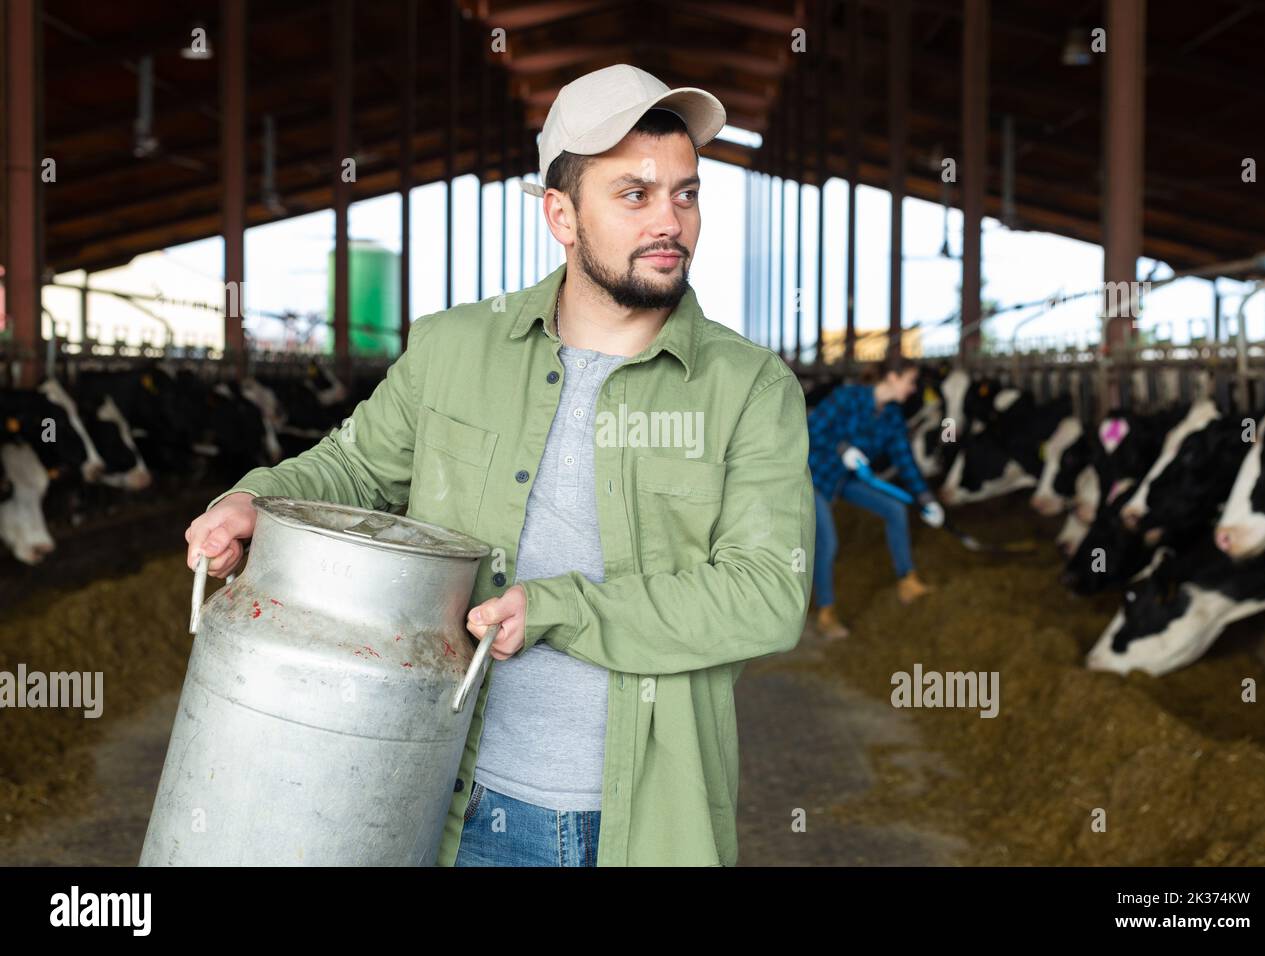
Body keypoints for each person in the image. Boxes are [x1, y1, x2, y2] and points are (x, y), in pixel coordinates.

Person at [183, 64, 814, 867]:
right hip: (448, 800)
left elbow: (765, 595)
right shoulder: (453, 348)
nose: (671, 222)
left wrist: (559, 609)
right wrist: (253, 501)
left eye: (686, 194)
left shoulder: (751, 388)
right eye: (634, 195)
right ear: (561, 214)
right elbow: (352, 470)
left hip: (645, 823)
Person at [805, 356, 944, 638]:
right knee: (827, 542)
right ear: (893, 377)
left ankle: (908, 581)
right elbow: (808, 429)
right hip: (809, 477)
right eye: (911, 381)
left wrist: (927, 498)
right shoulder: (847, 398)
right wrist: (842, 448)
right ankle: (825, 612)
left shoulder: (892, 417)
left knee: (895, 509)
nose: (913, 389)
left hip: (843, 479)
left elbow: (904, 460)